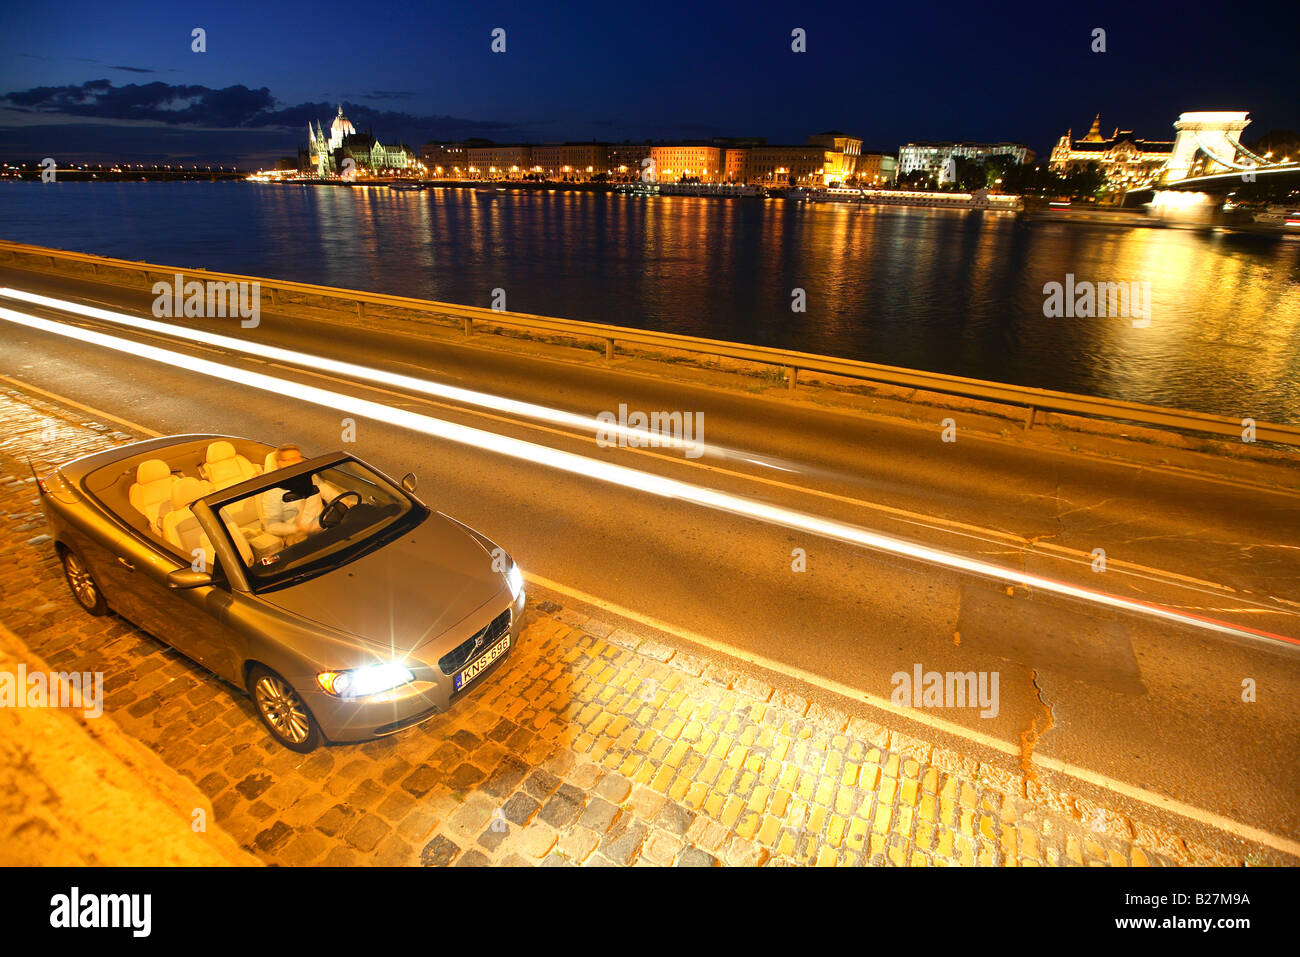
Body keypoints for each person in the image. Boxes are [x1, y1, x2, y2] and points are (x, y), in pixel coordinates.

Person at [260, 444, 336, 543]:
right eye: (292, 459)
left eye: (298, 458)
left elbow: (330, 494)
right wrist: (298, 528)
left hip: (326, 528)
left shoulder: (311, 478)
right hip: (301, 539)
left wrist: (347, 503)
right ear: (280, 463)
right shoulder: (274, 491)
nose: (297, 462)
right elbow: (271, 526)